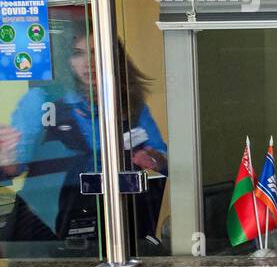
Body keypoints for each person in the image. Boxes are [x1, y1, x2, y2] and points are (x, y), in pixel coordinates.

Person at [0, 26, 167, 248]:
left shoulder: (132, 105)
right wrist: (6, 154)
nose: (88, 62)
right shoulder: (42, 100)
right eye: (78, 53)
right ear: (67, 61)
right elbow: (14, 168)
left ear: (113, 56)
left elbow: (163, 161)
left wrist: (152, 158)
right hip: (44, 229)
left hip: (113, 227)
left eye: (96, 52)